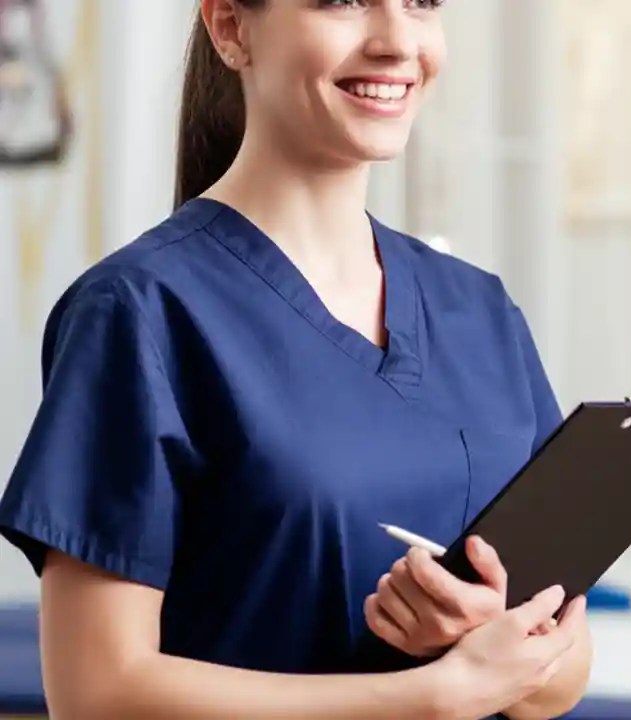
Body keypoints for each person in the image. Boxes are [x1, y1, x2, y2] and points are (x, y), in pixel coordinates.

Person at [0, 0, 593, 717]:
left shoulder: (482, 312)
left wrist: (483, 640)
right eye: (343, 1)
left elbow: (565, 673)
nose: (398, 41)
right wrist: (429, 696)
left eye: (422, 4)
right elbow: (98, 693)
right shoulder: (139, 311)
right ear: (230, 28)